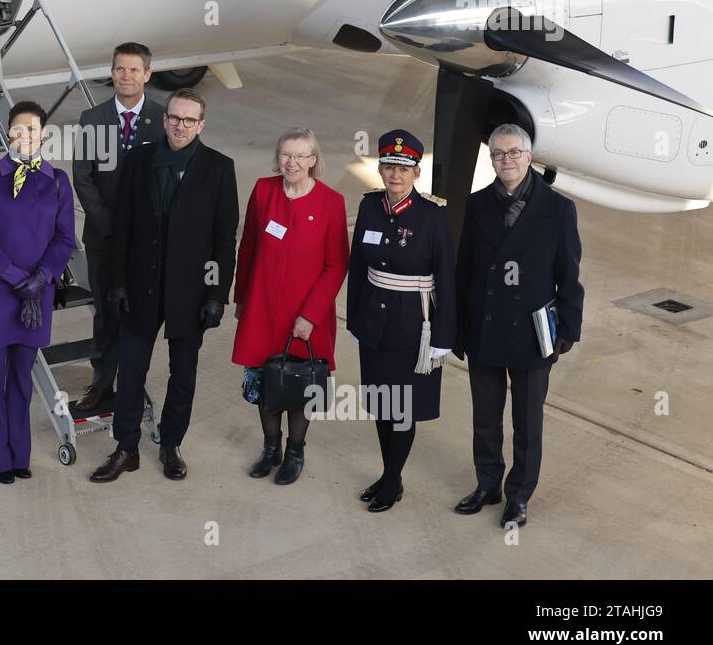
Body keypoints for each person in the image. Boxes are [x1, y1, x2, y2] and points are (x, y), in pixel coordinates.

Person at [90, 89, 239, 482]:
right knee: (131, 372)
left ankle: (171, 444)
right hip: (140, 288)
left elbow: (224, 240)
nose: (180, 126)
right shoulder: (140, 159)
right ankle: (126, 448)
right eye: (174, 118)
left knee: (183, 374)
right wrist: (118, 282)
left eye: (189, 120)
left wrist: (216, 294)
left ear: (201, 124)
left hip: (189, 294)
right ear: (165, 119)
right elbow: (122, 225)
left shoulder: (219, 168)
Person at [454, 123, 583, 528]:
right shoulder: (475, 206)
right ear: (491, 159)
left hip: (532, 335)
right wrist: (457, 327)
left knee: (527, 423)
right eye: (498, 154)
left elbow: (569, 276)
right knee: (485, 417)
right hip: (485, 329)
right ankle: (487, 483)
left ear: (529, 157)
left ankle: (519, 495)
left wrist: (566, 332)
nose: (505, 160)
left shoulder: (558, 210)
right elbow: (464, 272)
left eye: (513, 153)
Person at [232, 127, 349, 486]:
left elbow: (336, 266)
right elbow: (249, 245)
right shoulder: (264, 191)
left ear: (314, 160)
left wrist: (310, 316)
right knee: (265, 381)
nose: (292, 162)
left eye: (300, 155)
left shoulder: (331, 202)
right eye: (286, 154)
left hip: (306, 316)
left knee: (300, 383)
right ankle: (271, 448)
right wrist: (241, 299)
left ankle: (296, 451)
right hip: (262, 308)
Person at [0, 100, 76, 484]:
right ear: (8, 133)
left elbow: (65, 239)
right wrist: (19, 279)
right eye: (17, 129)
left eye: (31, 130)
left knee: (21, 382)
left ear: (43, 135)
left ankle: (19, 454)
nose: (24, 136)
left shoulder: (58, 181)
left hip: (38, 296)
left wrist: (42, 278)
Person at [346, 130, 454, 511]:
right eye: (389, 166)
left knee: (403, 406)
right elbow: (358, 267)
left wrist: (443, 335)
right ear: (380, 168)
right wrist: (354, 319)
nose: (395, 175)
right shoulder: (370, 207)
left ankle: (392, 481)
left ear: (416, 173)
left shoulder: (433, 216)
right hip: (374, 321)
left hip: (415, 326)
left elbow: (446, 277)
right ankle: (389, 472)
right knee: (380, 402)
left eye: (404, 168)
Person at [71, 43, 165, 412]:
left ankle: (131, 380)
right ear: (111, 73)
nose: (126, 76)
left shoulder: (161, 120)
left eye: (134, 70)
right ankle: (101, 380)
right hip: (103, 237)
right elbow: (84, 178)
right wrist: (111, 227)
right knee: (106, 310)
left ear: (147, 75)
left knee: (138, 312)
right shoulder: (93, 119)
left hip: (145, 240)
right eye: (120, 69)